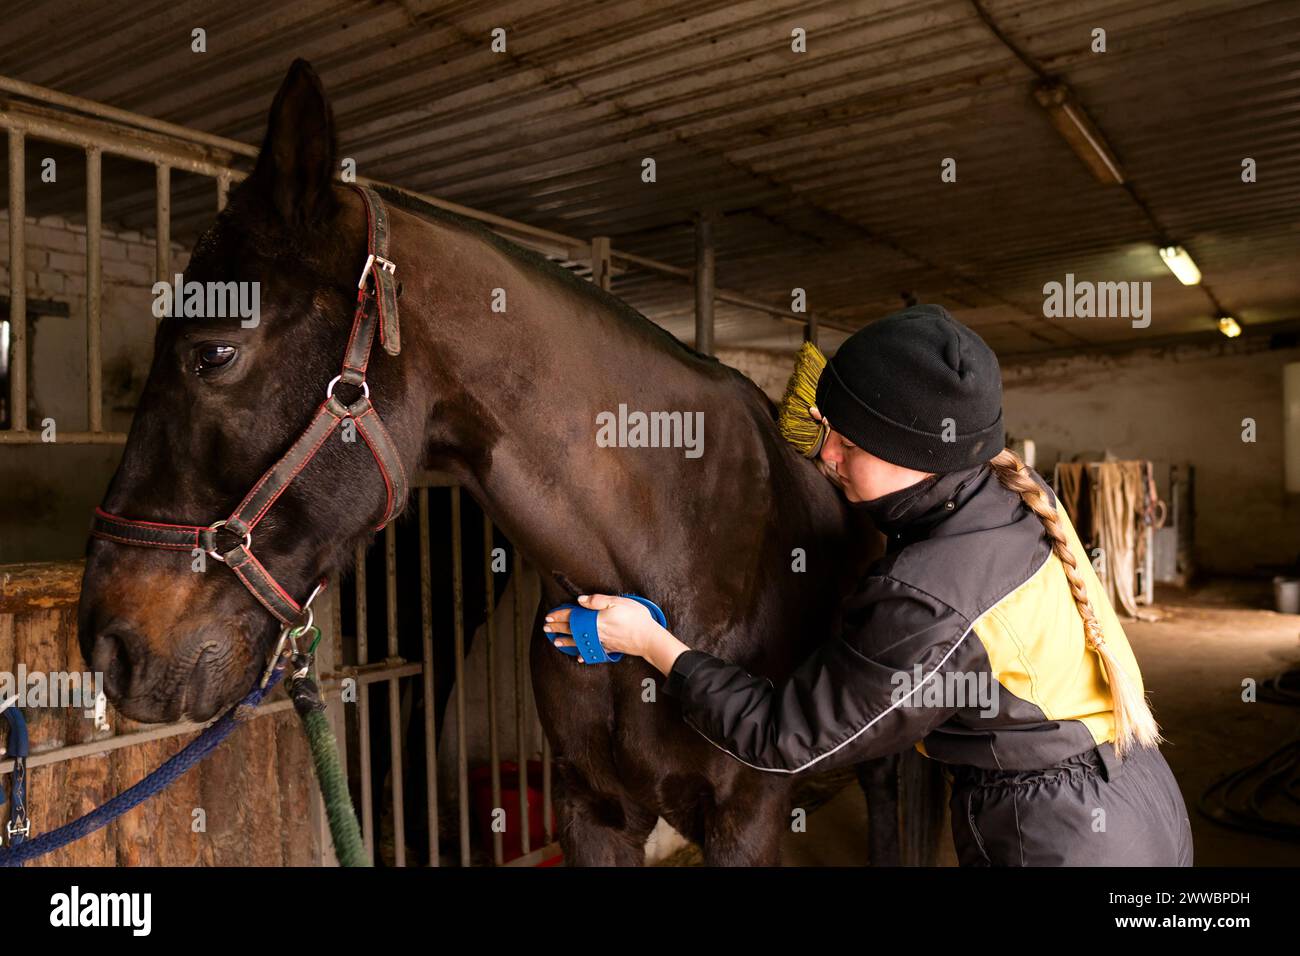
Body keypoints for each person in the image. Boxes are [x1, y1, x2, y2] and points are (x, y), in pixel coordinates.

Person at [544, 304, 1193, 866]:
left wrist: (652, 643)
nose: (826, 456)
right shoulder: (1003, 490)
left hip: (1061, 837)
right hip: (1137, 793)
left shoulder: (928, 597)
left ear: (913, 456)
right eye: (827, 430)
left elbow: (785, 739)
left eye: (847, 443)